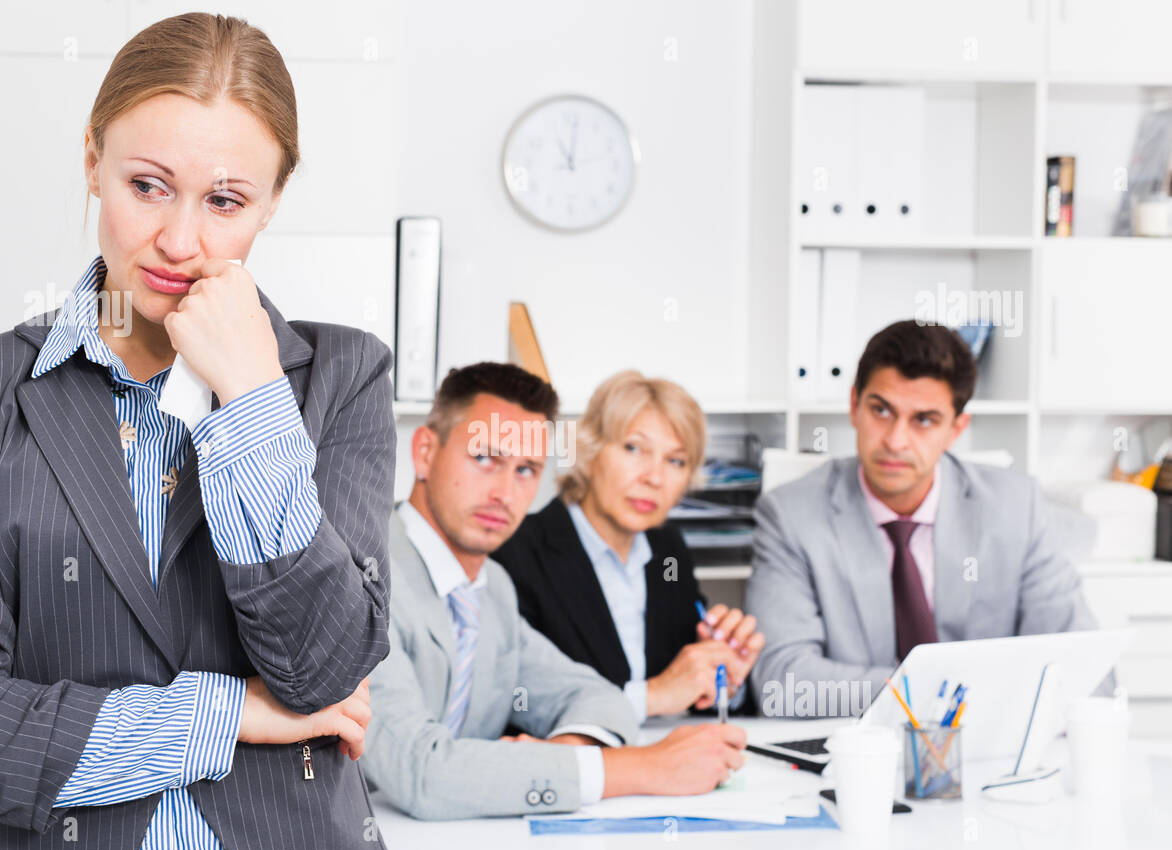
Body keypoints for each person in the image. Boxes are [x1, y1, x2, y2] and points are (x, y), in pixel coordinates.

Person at [0, 13, 395, 850]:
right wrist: (224, 714)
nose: (181, 242)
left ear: (273, 200)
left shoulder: (342, 376)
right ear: (92, 161)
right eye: (148, 186)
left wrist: (251, 399)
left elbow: (318, 668)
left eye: (226, 200)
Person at [361, 363, 748, 820]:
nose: (504, 493)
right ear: (425, 452)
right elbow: (420, 773)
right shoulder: (363, 576)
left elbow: (600, 699)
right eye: (485, 458)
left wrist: (564, 757)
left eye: (526, 469)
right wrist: (642, 768)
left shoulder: (492, 590)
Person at [746, 320, 1095, 715]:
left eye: (923, 420)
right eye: (881, 410)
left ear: (956, 428)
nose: (895, 440)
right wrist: (942, 696)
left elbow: (1079, 662)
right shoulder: (790, 515)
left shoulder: (1018, 507)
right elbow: (782, 685)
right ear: (853, 406)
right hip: (855, 751)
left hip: (987, 750)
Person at [494, 370, 764, 723]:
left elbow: (690, 692)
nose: (654, 477)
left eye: (676, 461)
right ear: (589, 449)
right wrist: (654, 696)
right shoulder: (516, 551)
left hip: (668, 761)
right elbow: (514, 705)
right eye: (634, 449)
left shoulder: (668, 550)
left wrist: (723, 674)